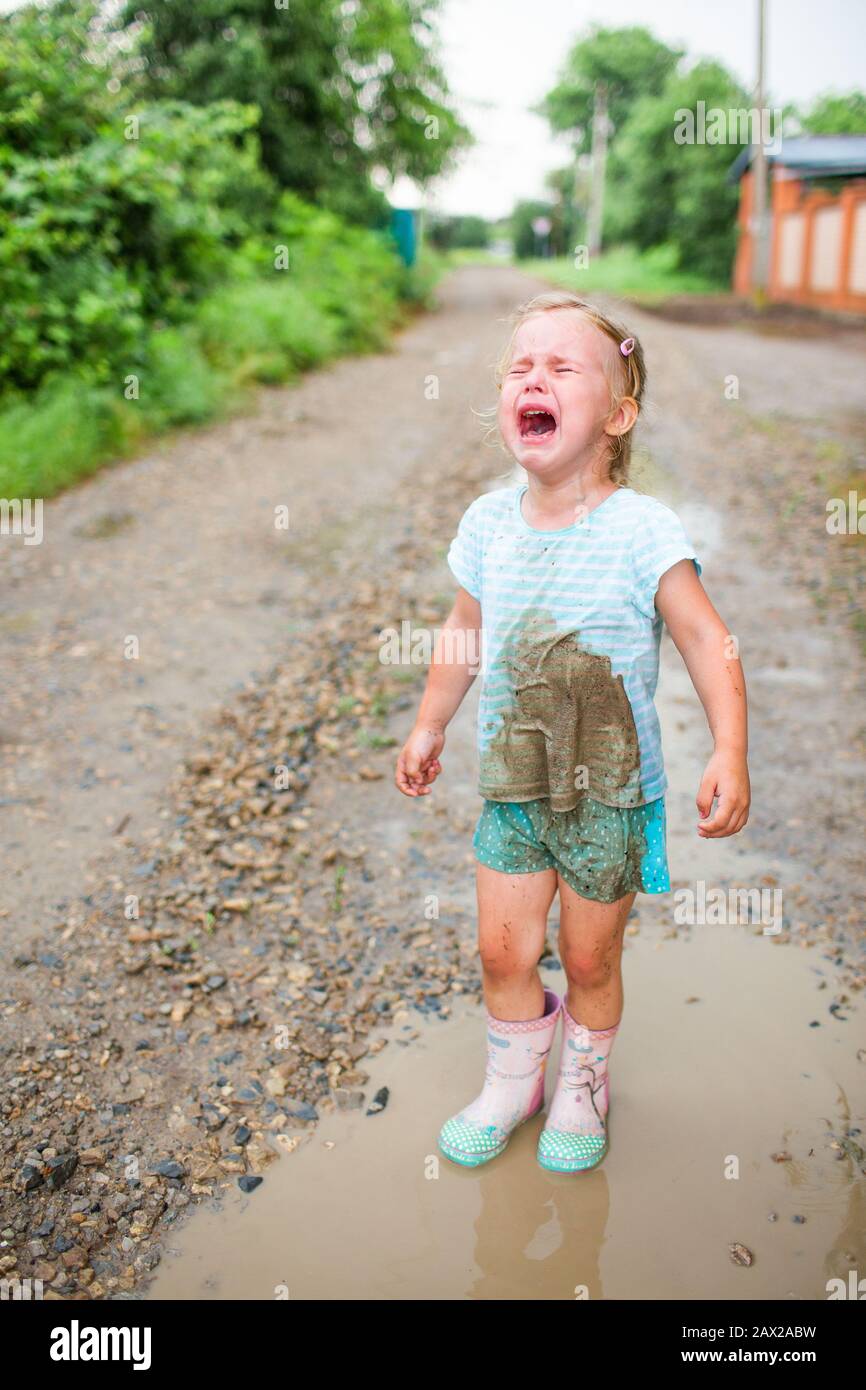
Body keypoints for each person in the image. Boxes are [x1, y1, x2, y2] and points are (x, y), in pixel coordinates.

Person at [394, 291, 750, 1173]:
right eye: (520, 366)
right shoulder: (487, 522)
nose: (532, 378)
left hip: (610, 797)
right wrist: (430, 721)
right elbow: (463, 631)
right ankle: (512, 1083)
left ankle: (582, 1091)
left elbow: (707, 638)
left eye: (561, 367)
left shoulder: (641, 529)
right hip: (514, 787)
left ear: (618, 415)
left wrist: (730, 749)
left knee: (590, 960)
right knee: (501, 947)